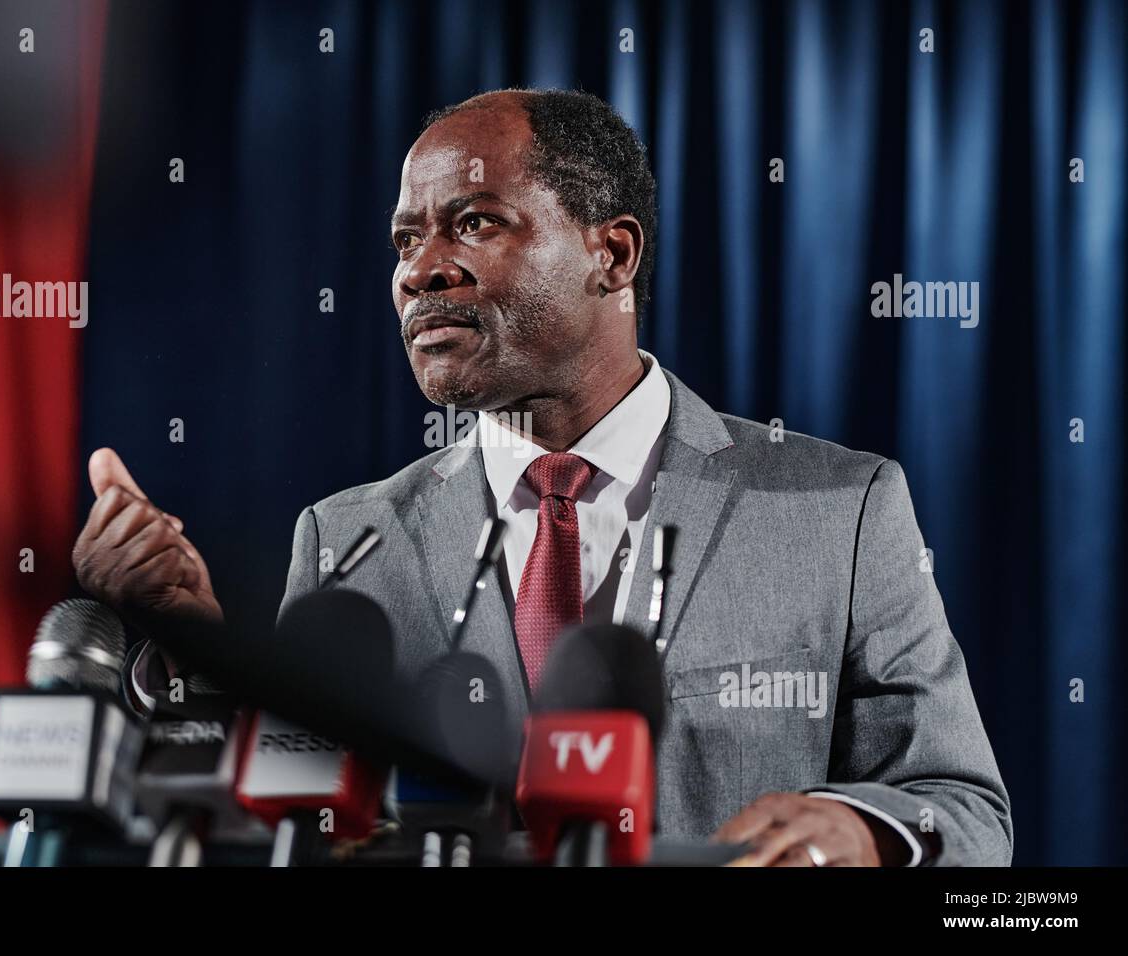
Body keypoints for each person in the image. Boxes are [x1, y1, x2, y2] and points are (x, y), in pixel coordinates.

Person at [72, 89, 1011, 866]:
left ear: (613, 254)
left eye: (473, 223)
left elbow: (963, 811)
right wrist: (195, 648)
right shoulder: (347, 536)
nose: (422, 272)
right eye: (405, 242)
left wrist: (862, 832)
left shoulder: (838, 511)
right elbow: (300, 818)